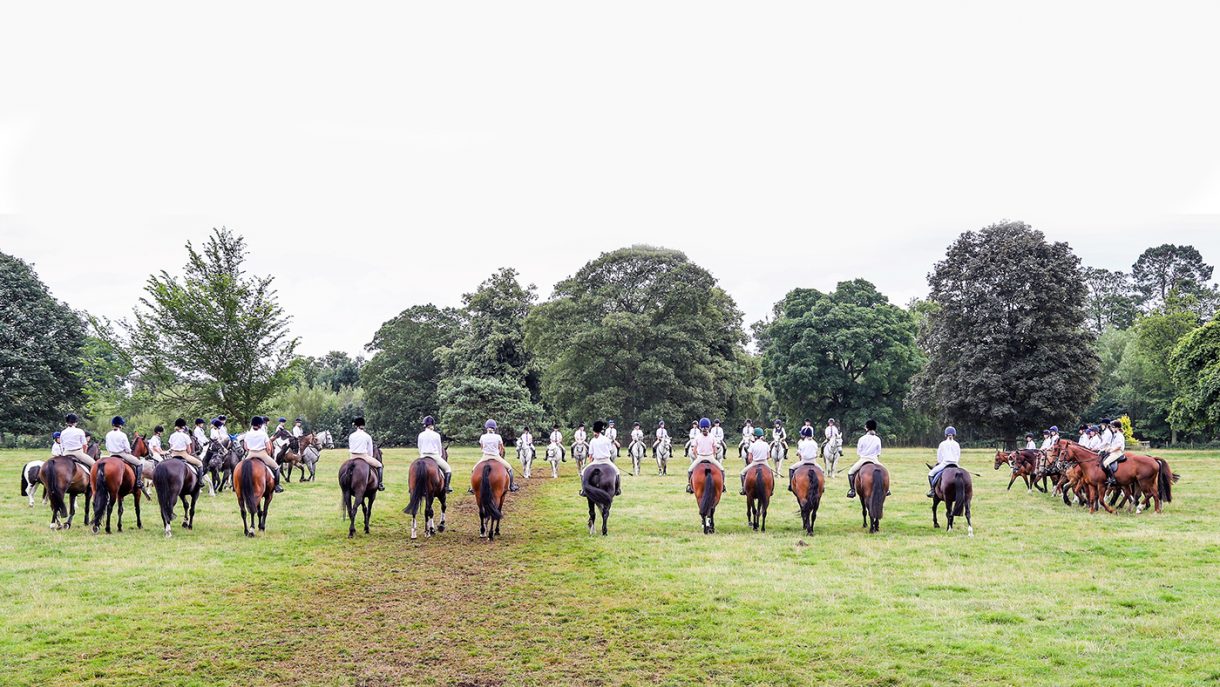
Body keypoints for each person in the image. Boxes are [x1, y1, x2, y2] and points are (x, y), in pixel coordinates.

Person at [472, 419, 518, 493]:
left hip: (485, 456)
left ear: (486, 427)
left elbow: (482, 447)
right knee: (509, 468)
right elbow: (501, 448)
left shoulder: (482, 436)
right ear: (495, 428)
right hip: (496, 456)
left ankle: (472, 487)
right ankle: (511, 485)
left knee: (474, 469)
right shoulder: (498, 436)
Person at [579, 420, 622, 497]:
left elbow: (590, 454)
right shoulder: (607, 440)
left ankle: (583, 490)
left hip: (596, 461)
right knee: (617, 472)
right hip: (606, 461)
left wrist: (590, 462)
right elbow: (610, 450)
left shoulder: (592, 440)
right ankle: (618, 489)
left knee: (583, 472)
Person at [846, 419, 887, 498]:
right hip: (874, 460)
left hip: (863, 459)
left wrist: (863, 457)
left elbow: (859, 452)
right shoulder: (878, 439)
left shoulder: (862, 438)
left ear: (867, 428)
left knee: (850, 472)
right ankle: (887, 489)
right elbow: (878, 452)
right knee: (885, 472)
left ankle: (852, 490)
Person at [242, 416, 283, 493]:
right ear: (260, 425)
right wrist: (267, 453)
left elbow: (245, 447)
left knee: (241, 468)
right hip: (262, 454)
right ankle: (277, 486)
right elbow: (268, 448)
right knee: (277, 467)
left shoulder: (248, 434)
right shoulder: (263, 434)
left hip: (250, 454)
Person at [686, 418, 726, 494]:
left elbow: (694, 449)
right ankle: (723, 485)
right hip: (710, 457)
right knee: (722, 470)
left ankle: (689, 486)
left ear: (700, 427)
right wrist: (713, 456)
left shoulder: (697, 437)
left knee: (690, 470)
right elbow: (715, 449)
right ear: (710, 427)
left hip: (700, 457)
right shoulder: (712, 436)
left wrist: (696, 456)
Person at [105, 416, 146, 489]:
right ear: (120, 425)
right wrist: (129, 452)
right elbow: (127, 448)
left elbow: (107, 446)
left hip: (111, 455)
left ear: (113, 425)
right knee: (139, 463)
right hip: (122, 454)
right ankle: (138, 482)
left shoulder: (108, 434)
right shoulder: (122, 435)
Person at [418, 416, 452, 492]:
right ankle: (446, 487)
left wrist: (421, 455)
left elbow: (419, 447)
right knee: (448, 469)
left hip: (423, 455)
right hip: (434, 456)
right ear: (432, 425)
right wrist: (439, 456)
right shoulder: (436, 435)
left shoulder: (420, 434)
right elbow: (439, 448)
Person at [348, 417, 384, 491]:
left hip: (352, 457)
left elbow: (350, 447)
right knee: (380, 465)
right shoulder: (367, 436)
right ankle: (380, 484)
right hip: (364, 456)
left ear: (355, 426)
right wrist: (369, 457)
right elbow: (370, 451)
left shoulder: (351, 436)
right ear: (363, 425)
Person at [927, 426, 961, 497]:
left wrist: (939, 462)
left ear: (946, 434)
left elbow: (939, 456)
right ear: (954, 434)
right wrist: (956, 462)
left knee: (931, 473)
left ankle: (932, 491)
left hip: (945, 463)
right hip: (955, 464)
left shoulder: (942, 444)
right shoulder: (957, 444)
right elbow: (958, 455)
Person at [739, 427, 770, 494]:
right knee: (771, 474)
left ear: (755, 437)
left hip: (755, 462)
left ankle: (743, 489)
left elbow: (750, 458)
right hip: (764, 462)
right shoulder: (766, 444)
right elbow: (768, 456)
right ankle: (771, 490)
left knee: (742, 473)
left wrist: (752, 462)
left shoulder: (752, 445)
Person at [1099, 419, 1126, 484]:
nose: (1111, 428)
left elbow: (1119, 446)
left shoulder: (1119, 435)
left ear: (1117, 428)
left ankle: (1112, 479)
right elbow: (1113, 444)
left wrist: (1111, 450)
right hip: (1113, 451)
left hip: (1118, 452)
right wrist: (1108, 448)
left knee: (1105, 463)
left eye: (1112, 427)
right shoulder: (1115, 434)